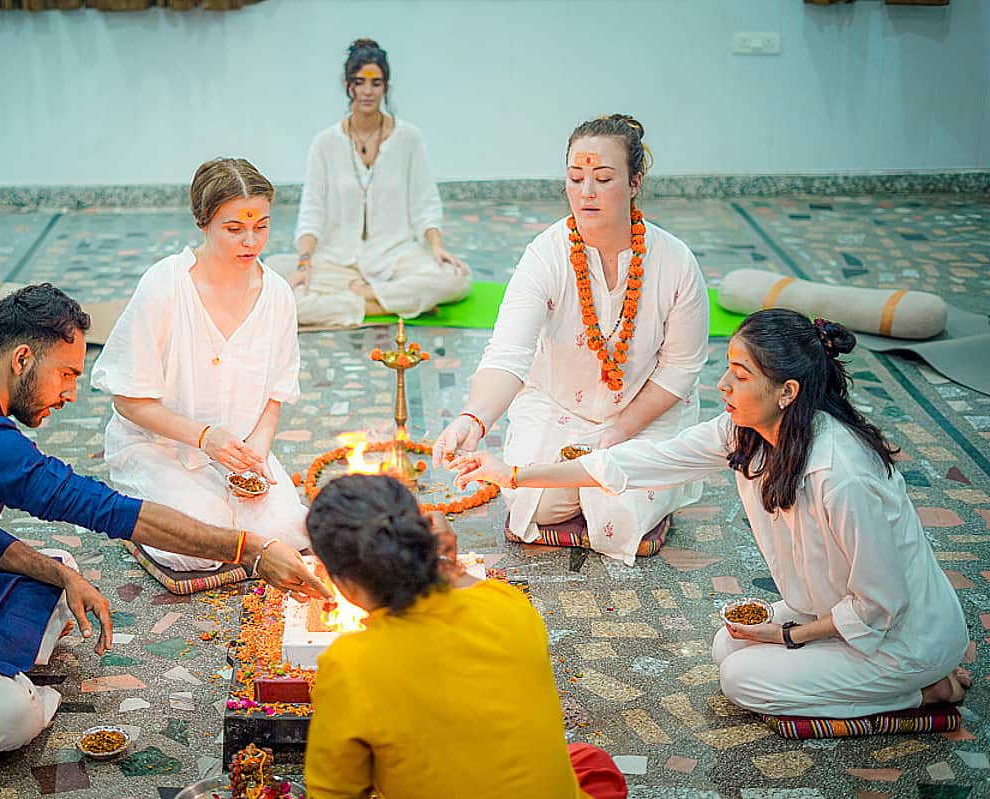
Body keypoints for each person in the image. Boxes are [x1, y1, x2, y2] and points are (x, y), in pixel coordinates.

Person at [0, 284, 328, 766]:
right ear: (23, 359)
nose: (72, 392)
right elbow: (106, 510)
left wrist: (59, 575)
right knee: (13, 717)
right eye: (67, 373)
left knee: (63, 571)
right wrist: (250, 548)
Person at [453, 309, 972, 719]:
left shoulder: (840, 475)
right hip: (830, 612)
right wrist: (513, 475)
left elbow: (880, 605)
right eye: (728, 367)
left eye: (740, 375)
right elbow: (636, 462)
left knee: (743, 679)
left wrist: (787, 637)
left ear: (786, 393)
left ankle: (923, 689)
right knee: (730, 645)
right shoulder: (744, 434)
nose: (722, 384)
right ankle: (858, 672)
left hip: (902, 638)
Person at [433, 115, 709, 564]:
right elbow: (509, 351)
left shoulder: (676, 262)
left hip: (643, 416)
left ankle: (624, 492)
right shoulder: (545, 255)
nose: (586, 192)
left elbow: (680, 369)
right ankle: (596, 487)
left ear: (635, 181)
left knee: (618, 507)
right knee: (535, 503)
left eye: (603, 178)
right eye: (575, 177)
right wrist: (473, 419)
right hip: (558, 407)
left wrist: (619, 431)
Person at [303, 474, 628, 799]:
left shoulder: (350, 665)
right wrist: (444, 560)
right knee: (590, 762)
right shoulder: (508, 605)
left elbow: (334, 792)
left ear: (342, 585)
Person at [91, 158, 308, 573]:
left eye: (261, 226)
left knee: (287, 531)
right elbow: (129, 401)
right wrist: (206, 438)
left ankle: (218, 503)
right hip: (158, 447)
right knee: (197, 545)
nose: (251, 241)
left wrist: (256, 461)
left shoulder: (277, 295)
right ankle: (137, 499)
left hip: (239, 452)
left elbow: (275, 398)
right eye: (234, 229)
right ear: (203, 222)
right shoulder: (165, 286)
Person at [266, 39, 471, 327]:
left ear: (386, 86)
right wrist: (304, 263)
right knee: (274, 275)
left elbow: (425, 202)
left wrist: (436, 247)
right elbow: (312, 211)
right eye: (359, 82)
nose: (367, 91)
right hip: (336, 260)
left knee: (456, 279)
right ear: (347, 85)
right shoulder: (324, 143)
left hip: (395, 257)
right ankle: (387, 305)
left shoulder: (409, 138)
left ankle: (364, 299)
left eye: (375, 83)